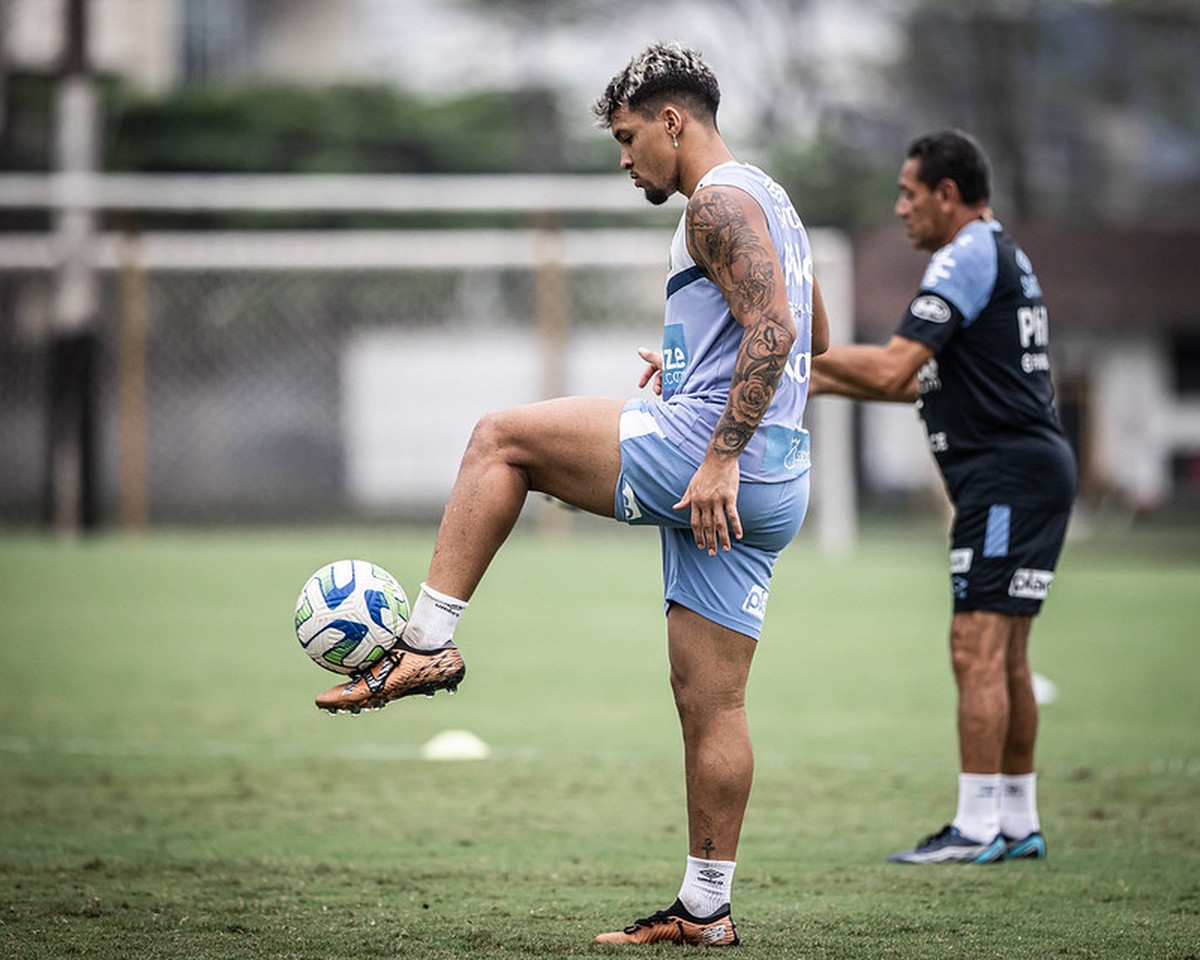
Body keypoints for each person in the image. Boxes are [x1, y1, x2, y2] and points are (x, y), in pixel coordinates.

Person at [313, 42, 828, 944]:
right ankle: (706, 909)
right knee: (713, 704)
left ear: (674, 122)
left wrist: (715, 454)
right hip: (780, 473)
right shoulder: (772, 197)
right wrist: (693, 371)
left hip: (722, 457)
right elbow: (808, 323)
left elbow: (777, 327)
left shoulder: (713, 201)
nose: (624, 159)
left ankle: (425, 644)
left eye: (629, 139)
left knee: (499, 440)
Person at [810, 129, 1077, 864]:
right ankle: (1016, 821)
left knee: (976, 649)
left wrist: (783, 358)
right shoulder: (1001, 252)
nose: (900, 209)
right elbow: (931, 386)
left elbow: (896, 371)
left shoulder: (965, 255)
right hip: (1027, 470)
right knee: (1008, 653)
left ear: (948, 195)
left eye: (909, 192)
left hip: (1005, 479)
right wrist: (806, 372)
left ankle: (975, 826)